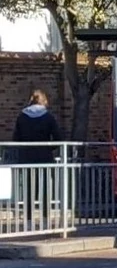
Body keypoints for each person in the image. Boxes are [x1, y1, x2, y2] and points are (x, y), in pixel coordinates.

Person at [11, 89, 63, 229]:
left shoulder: (22, 116)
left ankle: (28, 220)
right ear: (44, 101)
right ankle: (45, 218)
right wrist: (49, 149)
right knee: (45, 188)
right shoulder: (48, 117)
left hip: (26, 157)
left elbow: (16, 139)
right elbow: (58, 138)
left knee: (28, 189)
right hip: (45, 157)